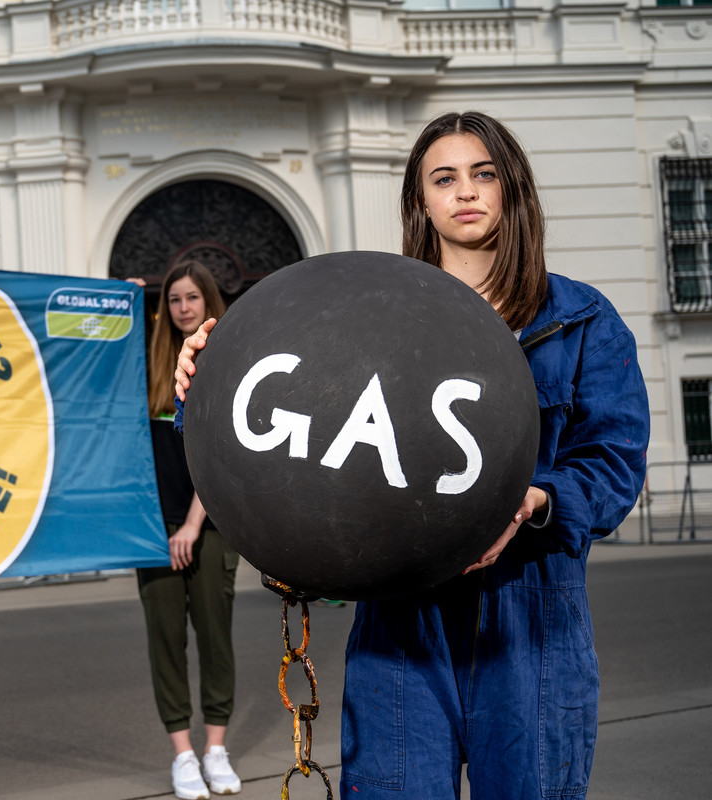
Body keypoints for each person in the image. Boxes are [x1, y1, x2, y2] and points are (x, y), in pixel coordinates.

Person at [173, 111, 649, 799]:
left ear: (512, 188)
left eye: (484, 174)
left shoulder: (581, 320)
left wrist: (534, 500)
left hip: (531, 617)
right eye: (444, 178)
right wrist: (204, 383)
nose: (466, 192)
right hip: (401, 619)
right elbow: (278, 437)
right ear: (420, 200)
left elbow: (611, 464)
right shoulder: (370, 314)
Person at [136, 261, 242, 799]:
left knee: (215, 640)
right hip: (153, 529)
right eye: (174, 299)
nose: (183, 307)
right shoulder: (149, 365)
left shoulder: (222, 361)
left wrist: (194, 524)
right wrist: (122, 300)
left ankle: (216, 749)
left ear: (208, 303)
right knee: (165, 643)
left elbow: (222, 450)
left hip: (209, 526)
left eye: (192, 298)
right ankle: (183, 756)